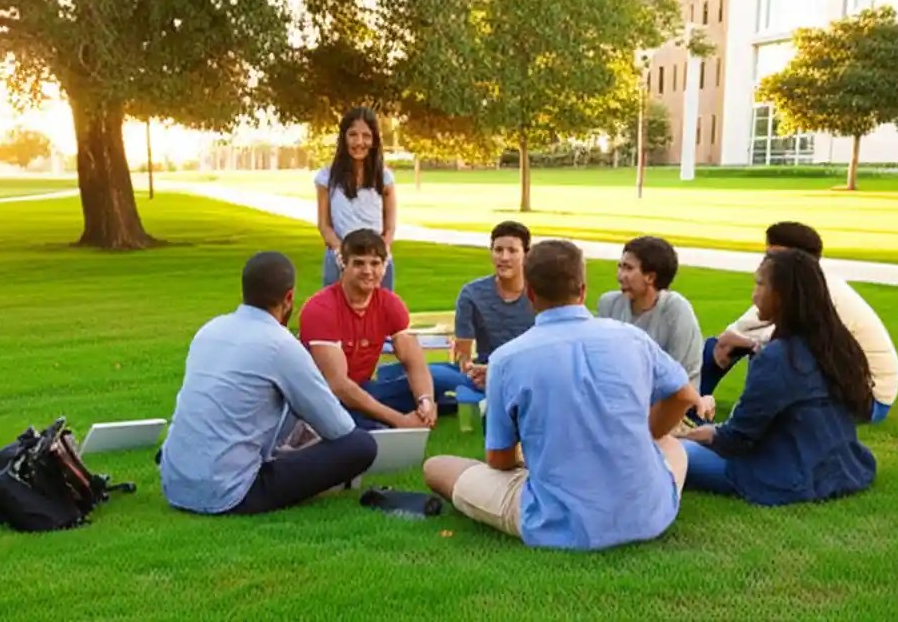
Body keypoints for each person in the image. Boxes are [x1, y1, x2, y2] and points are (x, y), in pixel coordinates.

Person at [422, 240, 700, 551]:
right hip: (648, 513)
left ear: (530, 294)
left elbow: (499, 461)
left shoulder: (507, 359)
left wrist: (526, 459)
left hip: (558, 521)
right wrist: (649, 434)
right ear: (582, 291)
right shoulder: (631, 338)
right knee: (671, 445)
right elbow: (684, 395)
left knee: (436, 466)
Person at [160, 252, 376, 515]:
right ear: (288, 298)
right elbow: (338, 429)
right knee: (360, 445)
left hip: (175, 483)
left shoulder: (209, 330)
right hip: (231, 492)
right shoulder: (281, 344)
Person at [680, 249, 878, 505]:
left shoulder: (778, 357)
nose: (754, 294)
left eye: (760, 284)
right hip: (844, 468)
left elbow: (737, 439)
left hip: (786, 475)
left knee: (668, 450)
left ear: (782, 295)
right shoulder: (837, 345)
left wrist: (690, 435)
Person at [703, 222, 898, 423]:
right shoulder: (798, 285)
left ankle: (745, 420)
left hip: (867, 399)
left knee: (769, 356)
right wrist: (729, 340)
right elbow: (744, 327)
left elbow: (795, 346)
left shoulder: (820, 293)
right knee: (718, 346)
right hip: (844, 387)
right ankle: (693, 406)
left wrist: (746, 343)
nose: (765, 264)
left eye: (774, 258)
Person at [299, 229, 455, 430]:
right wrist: (400, 421)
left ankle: (421, 410)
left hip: (364, 390)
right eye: (359, 263)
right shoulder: (321, 308)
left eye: (375, 263)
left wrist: (425, 400)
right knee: (350, 421)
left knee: (438, 380)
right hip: (322, 397)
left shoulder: (389, 303)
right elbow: (338, 385)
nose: (368, 271)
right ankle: (375, 424)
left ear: (384, 266)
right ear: (343, 264)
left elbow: (413, 360)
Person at [597, 236, 714, 421]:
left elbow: (681, 377)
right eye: (620, 266)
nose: (620, 275)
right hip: (618, 405)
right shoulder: (609, 304)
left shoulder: (676, 310)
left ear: (650, 277)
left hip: (671, 410)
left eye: (628, 268)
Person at [447, 221, 536, 390]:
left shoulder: (540, 293)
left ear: (526, 254)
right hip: (483, 373)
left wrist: (500, 373)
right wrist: (471, 370)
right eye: (498, 250)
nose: (504, 257)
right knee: (426, 373)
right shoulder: (472, 294)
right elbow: (463, 356)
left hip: (529, 374)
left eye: (512, 251)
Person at [315, 107, 396, 290]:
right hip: (340, 257)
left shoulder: (384, 178)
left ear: (374, 140)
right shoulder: (326, 177)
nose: (359, 142)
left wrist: (378, 255)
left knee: (381, 314)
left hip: (376, 257)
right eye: (353, 134)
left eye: (366, 136)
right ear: (344, 137)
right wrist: (343, 253)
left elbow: (389, 227)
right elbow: (324, 226)